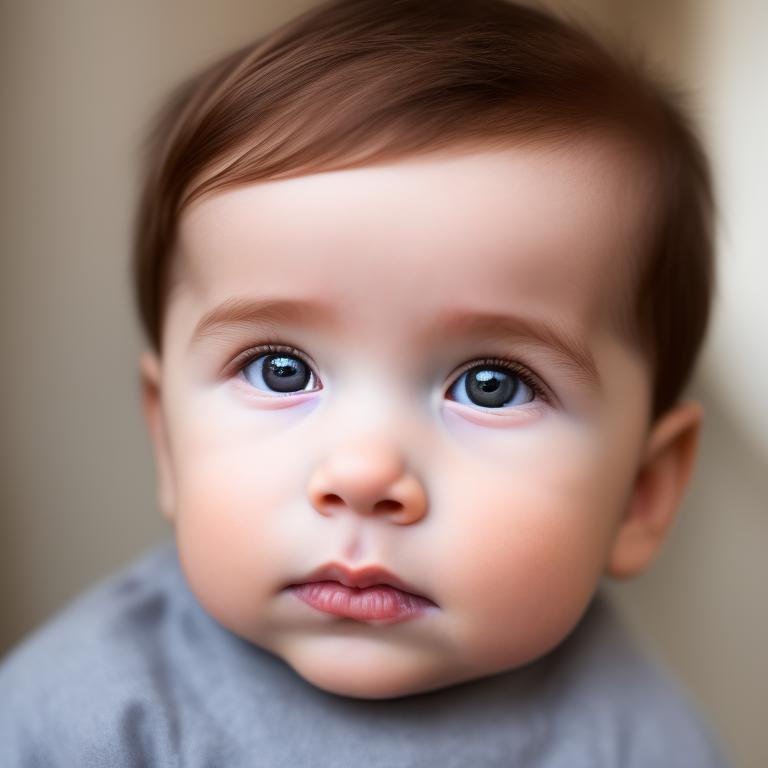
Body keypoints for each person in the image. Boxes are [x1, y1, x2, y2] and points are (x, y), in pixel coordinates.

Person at [0, 0, 730, 764]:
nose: (363, 474)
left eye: (491, 385)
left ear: (643, 493)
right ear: (168, 444)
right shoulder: (86, 718)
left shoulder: (644, 741)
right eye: (279, 370)